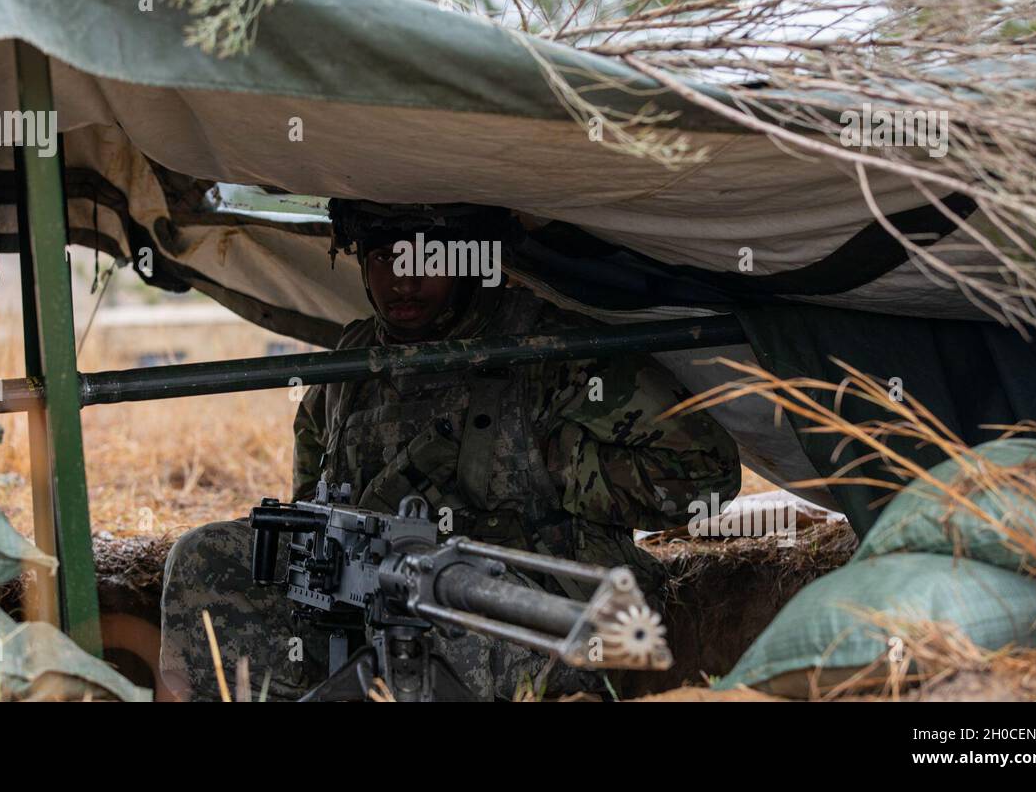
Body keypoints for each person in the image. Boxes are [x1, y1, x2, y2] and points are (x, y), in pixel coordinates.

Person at [159, 201, 740, 700]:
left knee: (433, 627)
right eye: (385, 257)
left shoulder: (549, 350)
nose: (403, 280)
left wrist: (545, 464)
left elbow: (707, 480)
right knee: (205, 555)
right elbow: (311, 500)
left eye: (427, 257)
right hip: (371, 597)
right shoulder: (350, 364)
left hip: (525, 606)